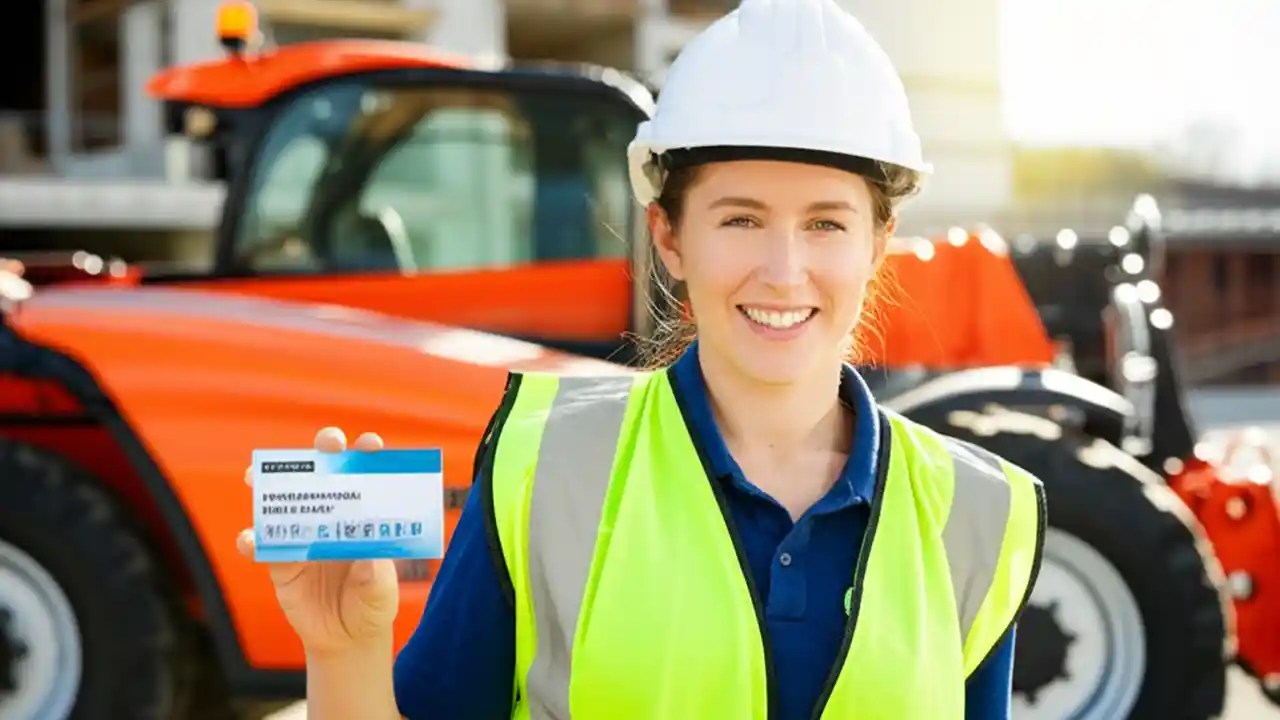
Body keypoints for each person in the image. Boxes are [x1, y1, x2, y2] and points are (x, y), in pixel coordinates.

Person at [236, 0, 1046, 718]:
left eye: (826, 224)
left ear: (877, 244)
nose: (784, 269)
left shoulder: (977, 514)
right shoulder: (545, 468)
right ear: (669, 237)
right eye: (740, 219)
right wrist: (343, 652)